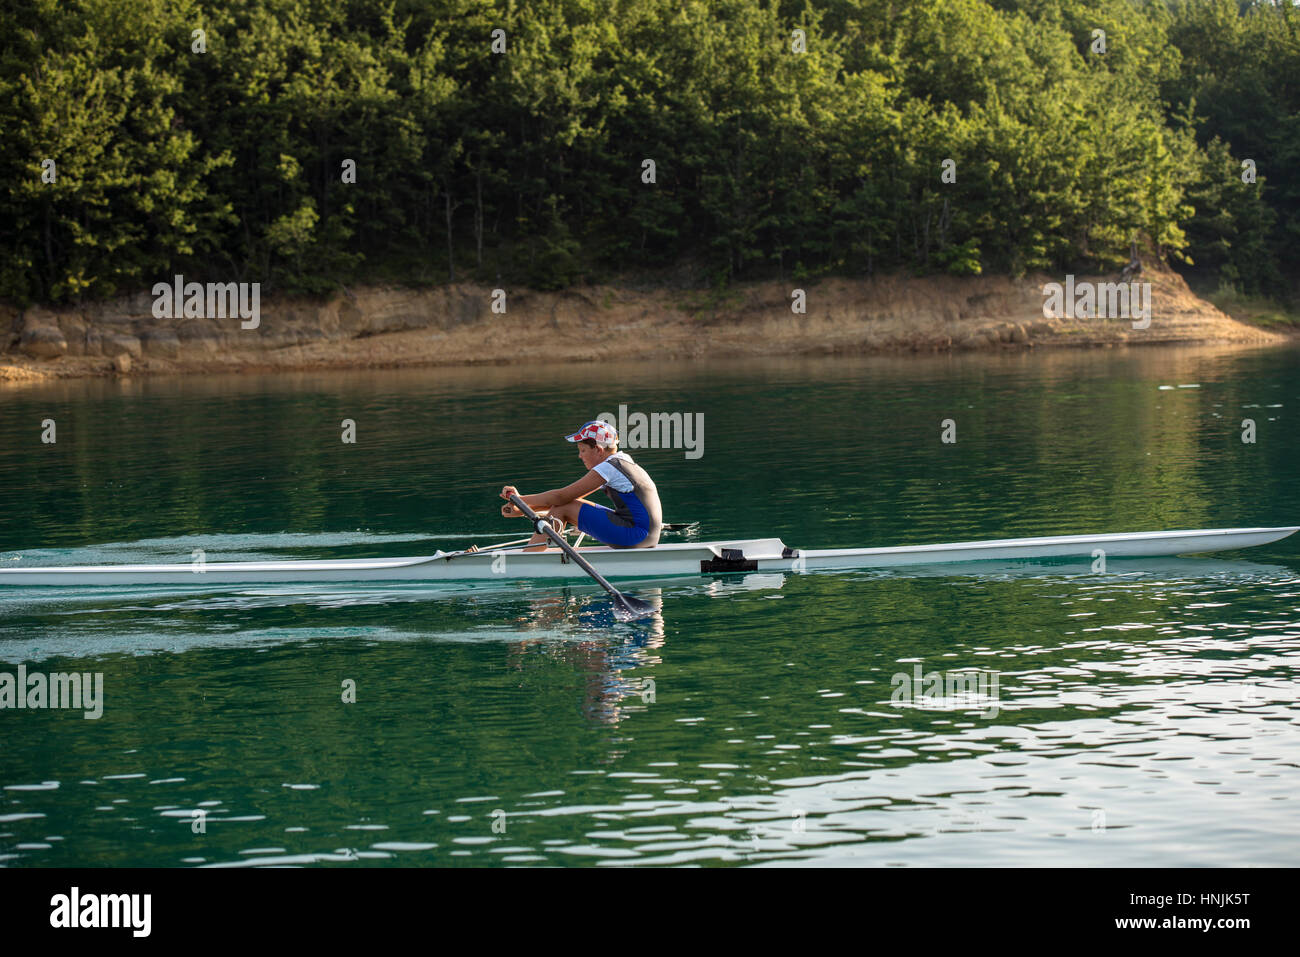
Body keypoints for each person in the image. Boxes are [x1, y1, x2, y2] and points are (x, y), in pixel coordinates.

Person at [501, 420, 663, 550]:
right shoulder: (622, 461)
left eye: (583, 450)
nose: (579, 456)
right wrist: (523, 509)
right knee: (564, 505)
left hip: (636, 535)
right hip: (644, 535)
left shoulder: (609, 467)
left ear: (598, 450)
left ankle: (529, 558)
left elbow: (560, 497)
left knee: (562, 507)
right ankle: (535, 552)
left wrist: (520, 499)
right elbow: (567, 499)